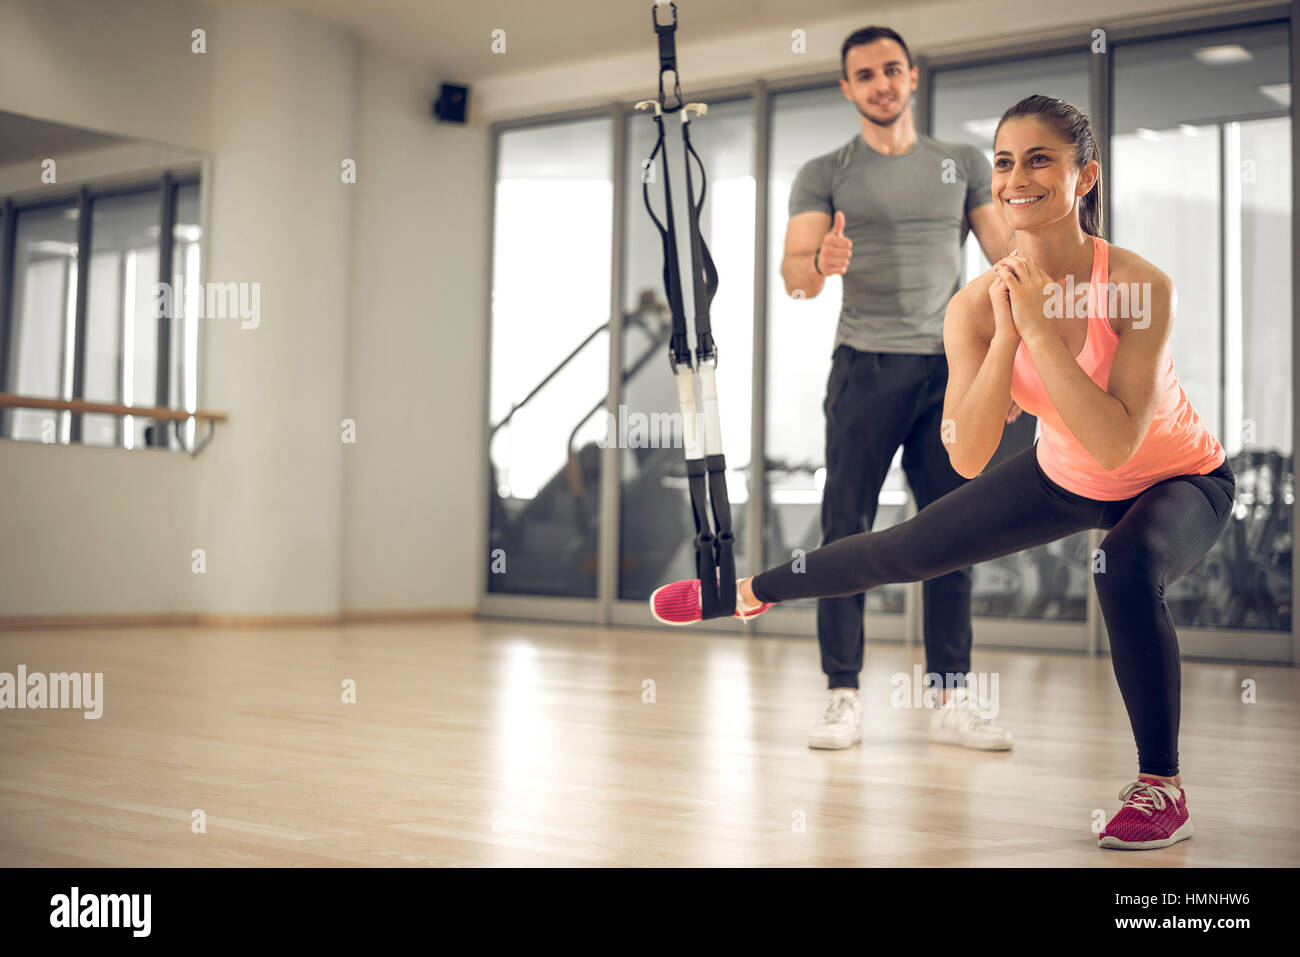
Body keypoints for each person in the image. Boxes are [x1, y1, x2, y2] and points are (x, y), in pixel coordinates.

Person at [651, 93, 1235, 851]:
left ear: (1084, 176)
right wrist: (1003, 334)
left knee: (1122, 561)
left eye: (1039, 159)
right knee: (911, 544)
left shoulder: (1139, 287)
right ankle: (748, 590)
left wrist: (1035, 331)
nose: (1015, 177)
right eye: (1002, 161)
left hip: (1177, 477)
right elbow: (965, 452)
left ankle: (1161, 788)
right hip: (1066, 474)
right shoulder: (972, 308)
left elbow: (1119, 442)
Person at [780, 26, 1014, 751]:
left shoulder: (962, 163)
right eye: (864, 75)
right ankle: (842, 694)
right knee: (845, 527)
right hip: (866, 365)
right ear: (847, 89)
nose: (880, 83)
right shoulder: (826, 171)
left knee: (953, 530)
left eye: (891, 69)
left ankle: (950, 696)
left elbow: (1008, 257)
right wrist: (821, 258)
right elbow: (795, 278)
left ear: (911, 77)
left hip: (949, 369)